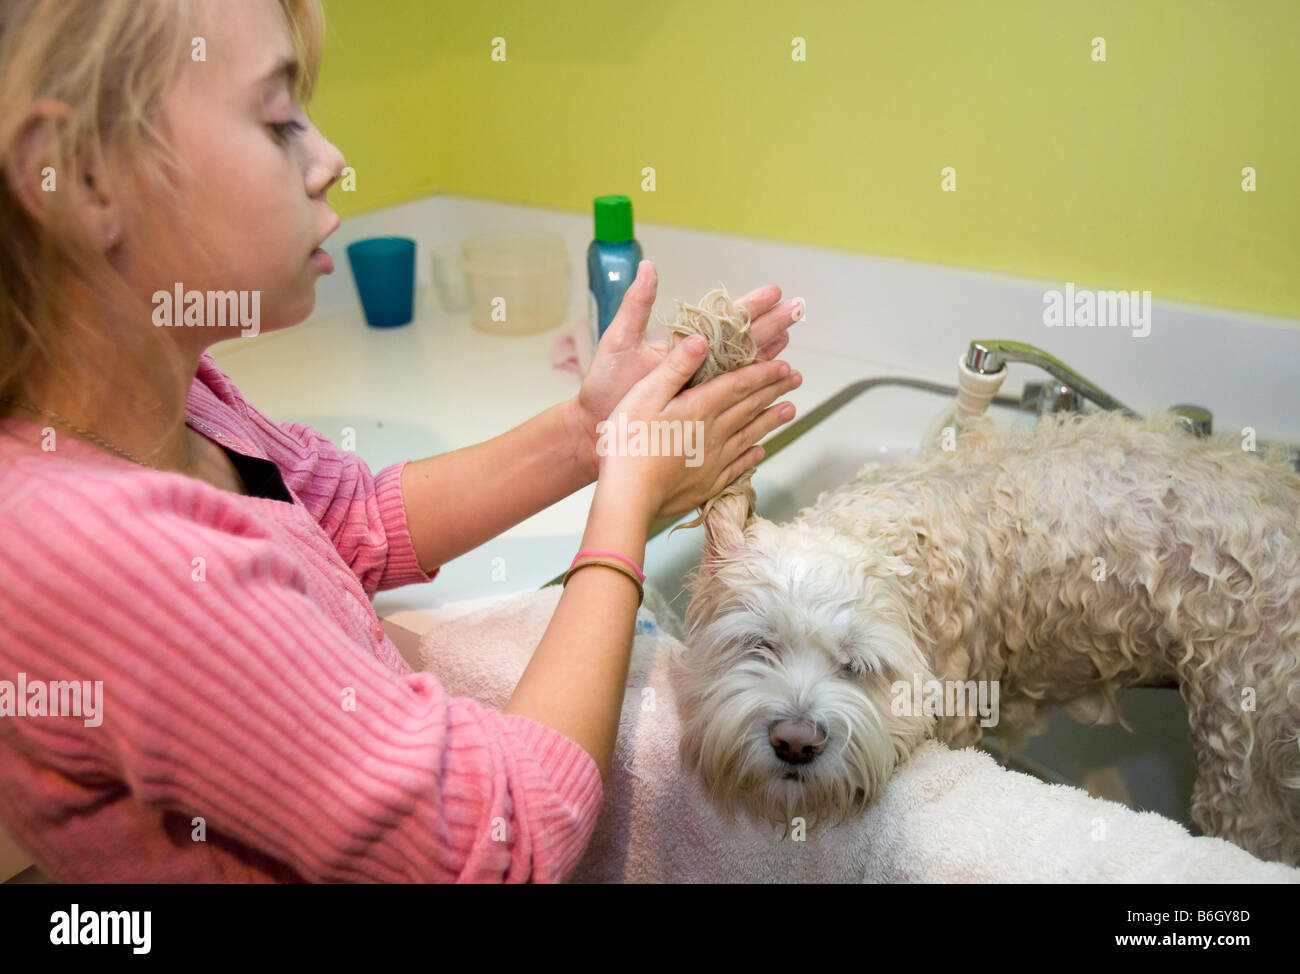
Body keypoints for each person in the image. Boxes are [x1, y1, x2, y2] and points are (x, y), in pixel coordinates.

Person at [0, 0, 802, 882]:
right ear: (79, 177)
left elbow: (344, 524)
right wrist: (625, 507)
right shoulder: (100, 560)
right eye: (277, 121)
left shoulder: (182, 404)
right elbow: (504, 839)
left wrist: (589, 435)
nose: (331, 159)